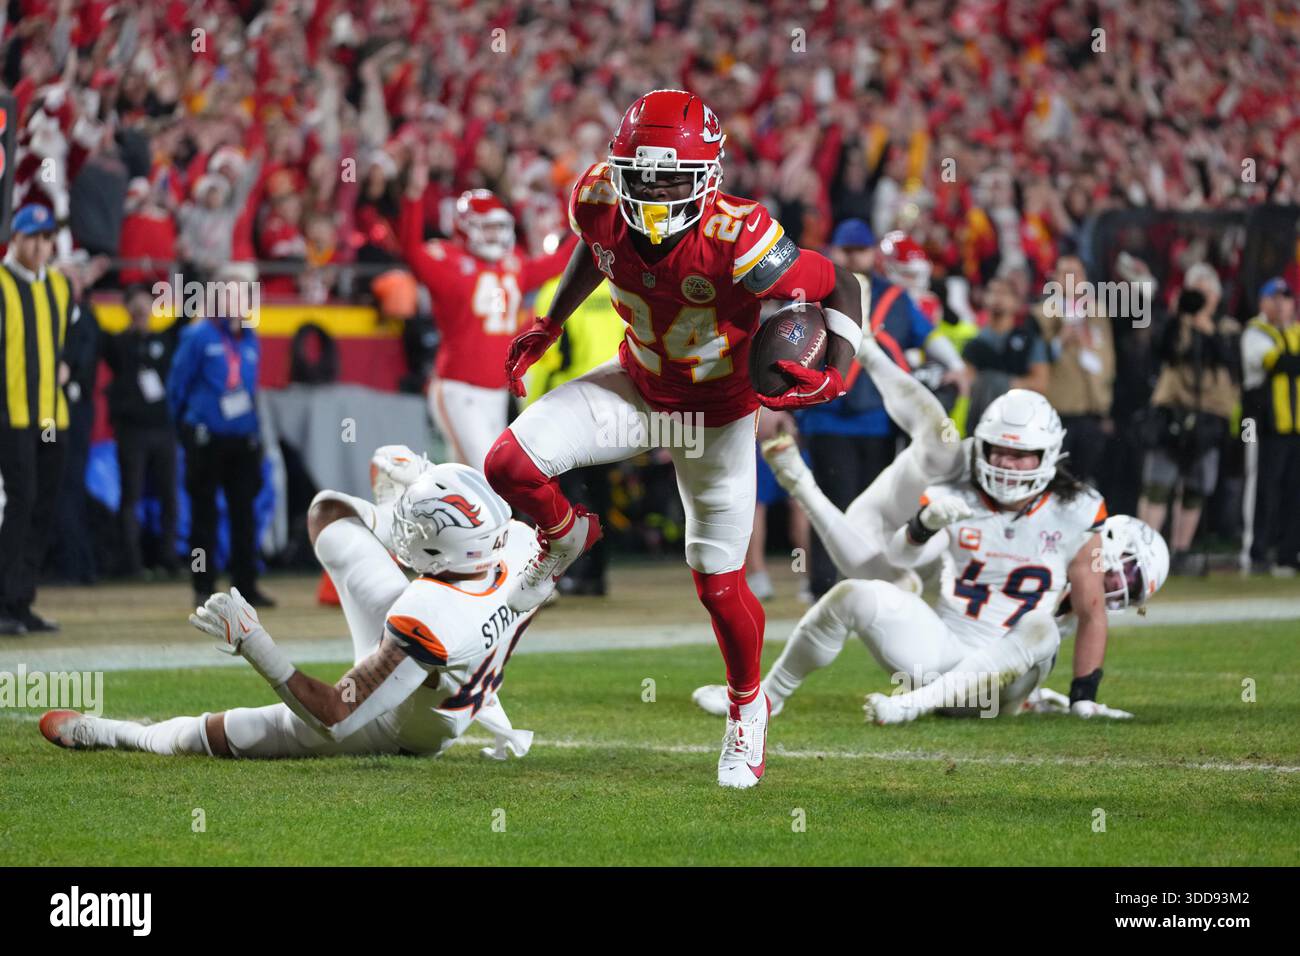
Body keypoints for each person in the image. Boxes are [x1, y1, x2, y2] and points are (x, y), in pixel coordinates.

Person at [484, 90, 870, 789]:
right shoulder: (598, 198)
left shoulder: (740, 235)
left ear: (709, 176)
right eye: (643, 175)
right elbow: (595, 250)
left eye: (673, 178)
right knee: (507, 463)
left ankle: (747, 708)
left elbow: (841, 282)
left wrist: (837, 376)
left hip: (718, 411)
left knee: (718, 584)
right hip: (637, 384)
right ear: (619, 168)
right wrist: (552, 322)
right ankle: (566, 535)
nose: (656, 192)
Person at [40, 454, 535, 762]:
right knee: (330, 514)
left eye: (414, 527)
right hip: (447, 657)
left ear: (443, 551)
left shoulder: (430, 616)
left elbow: (336, 716)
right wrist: (424, 484)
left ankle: (117, 734)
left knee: (231, 732)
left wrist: (256, 644)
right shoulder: (519, 546)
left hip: (407, 724)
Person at [799, 218, 963, 601]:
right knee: (828, 505)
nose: (854, 256)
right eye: (847, 249)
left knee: (873, 508)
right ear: (835, 250)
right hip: (827, 417)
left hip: (877, 421)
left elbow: (928, 335)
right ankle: (823, 584)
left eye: (860, 249)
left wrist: (955, 365)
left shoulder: (894, 295)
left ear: (873, 252)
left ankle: (870, 582)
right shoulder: (816, 291)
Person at [400, 157, 575, 471]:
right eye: (488, 227)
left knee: (469, 478)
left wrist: (588, 226)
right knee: (488, 476)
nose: (495, 236)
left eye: (499, 227)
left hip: (496, 392)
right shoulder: (450, 262)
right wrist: (413, 197)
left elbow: (555, 265)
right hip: (459, 389)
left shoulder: (513, 264)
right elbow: (412, 251)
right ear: (466, 228)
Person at [166, 272, 271, 606]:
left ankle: (246, 583)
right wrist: (184, 428)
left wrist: (254, 432)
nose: (236, 303)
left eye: (241, 296)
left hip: (241, 439)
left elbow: (249, 390)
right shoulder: (198, 336)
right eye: (229, 295)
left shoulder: (250, 339)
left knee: (245, 514)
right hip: (206, 439)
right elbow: (177, 385)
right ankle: (203, 585)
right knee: (204, 516)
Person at [0, 204, 77, 635]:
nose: (40, 245)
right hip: (11, 416)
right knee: (20, 502)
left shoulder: (60, 288)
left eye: (47, 237)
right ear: (14, 237)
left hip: (52, 416)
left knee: (42, 506)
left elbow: (74, 341)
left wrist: (70, 369)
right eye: (32, 236)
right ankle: (3, 600)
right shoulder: (1, 283)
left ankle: (21, 599)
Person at [1137, 264, 1239, 575]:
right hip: (1172, 411)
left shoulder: (1227, 328)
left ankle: (1180, 552)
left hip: (1209, 415)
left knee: (1195, 487)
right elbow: (1161, 351)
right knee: (1158, 484)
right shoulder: (1174, 325)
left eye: (1206, 291)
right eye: (1196, 290)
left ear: (1217, 296)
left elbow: (1228, 359)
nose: (1200, 298)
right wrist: (1178, 316)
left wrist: (1204, 327)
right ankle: (1145, 552)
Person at [101, 284, 182, 578]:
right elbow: (91, 329)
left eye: (145, 304)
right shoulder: (119, 345)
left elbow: (187, 314)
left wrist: (190, 268)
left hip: (163, 430)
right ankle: (131, 561)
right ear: (126, 309)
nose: (140, 310)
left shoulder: (165, 339)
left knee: (169, 496)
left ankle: (168, 557)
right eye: (134, 305)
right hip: (131, 432)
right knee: (130, 496)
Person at [1034, 254, 1116, 485]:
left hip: (1092, 413)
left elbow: (1107, 361)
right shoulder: (1041, 315)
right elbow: (1035, 360)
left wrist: (1105, 409)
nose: (1072, 280)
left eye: (1077, 274)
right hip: (1057, 412)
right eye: (1065, 274)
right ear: (1055, 279)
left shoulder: (1098, 314)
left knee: (1083, 482)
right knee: (1052, 479)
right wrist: (1060, 340)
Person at [1240, 277, 1300, 574]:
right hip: (1256, 423)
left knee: (1293, 490)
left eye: (1286, 297)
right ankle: (1254, 548)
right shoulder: (1254, 332)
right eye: (1274, 297)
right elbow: (1277, 363)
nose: (1281, 303)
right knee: (1257, 483)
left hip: (1294, 426)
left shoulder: (1295, 332)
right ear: (1263, 302)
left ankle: (1289, 551)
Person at [964, 273, 1049, 426]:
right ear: (985, 299)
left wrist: (1001, 383)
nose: (998, 297)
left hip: (1021, 419)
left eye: (1004, 293)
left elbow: (1040, 383)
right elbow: (966, 383)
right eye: (992, 292)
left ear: (1017, 303)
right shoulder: (973, 341)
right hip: (981, 420)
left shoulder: (1029, 340)